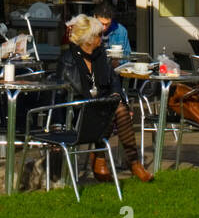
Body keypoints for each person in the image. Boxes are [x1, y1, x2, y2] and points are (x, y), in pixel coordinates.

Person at [57, 14, 153, 182]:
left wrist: (116, 95)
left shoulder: (101, 56)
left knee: (119, 108)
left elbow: (114, 82)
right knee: (118, 110)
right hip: (79, 114)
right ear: (88, 39)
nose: (102, 39)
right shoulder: (68, 61)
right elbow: (63, 96)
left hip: (102, 110)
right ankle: (128, 162)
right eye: (99, 36)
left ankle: (116, 159)